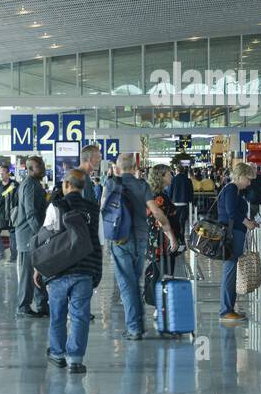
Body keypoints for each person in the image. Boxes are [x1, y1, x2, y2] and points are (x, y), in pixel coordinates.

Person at [103, 152, 176, 340]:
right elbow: (156, 211)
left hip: (121, 239)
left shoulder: (112, 183)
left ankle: (134, 327)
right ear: (135, 168)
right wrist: (168, 230)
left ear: (118, 168)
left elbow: (103, 209)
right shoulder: (142, 185)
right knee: (135, 280)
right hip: (141, 238)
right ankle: (138, 322)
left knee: (127, 283)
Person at [37, 168, 102, 374]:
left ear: (66, 185)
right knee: (80, 315)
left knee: (57, 314)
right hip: (85, 270)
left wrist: (39, 268)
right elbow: (98, 243)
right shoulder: (93, 209)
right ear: (83, 187)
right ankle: (75, 359)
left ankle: (57, 354)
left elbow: (45, 239)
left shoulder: (56, 206)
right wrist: (96, 272)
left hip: (59, 270)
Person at [215, 161, 258, 322]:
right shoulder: (232, 189)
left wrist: (247, 221)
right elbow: (231, 212)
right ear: (240, 176)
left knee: (231, 272)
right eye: (247, 178)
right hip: (232, 235)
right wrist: (246, 222)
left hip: (234, 233)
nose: (249, 182)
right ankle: (226, 310)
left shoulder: (233, 190)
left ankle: (229, 308)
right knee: (230, 272)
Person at [15, 156, 49, 317]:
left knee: (39, 270)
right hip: (29, 236)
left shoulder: (35, 184)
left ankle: (42, 303)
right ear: (29, 169)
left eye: (41, 165)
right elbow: (30, 213)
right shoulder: (29, 185)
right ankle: (23, 306)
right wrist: (39, 233)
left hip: (32, 235)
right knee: (28, 273)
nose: (41, 168)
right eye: (38, 166)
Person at [147, 164, 180, 278]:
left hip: (155, 243)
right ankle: (162, 296)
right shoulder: (160, 198)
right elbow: (161, 220)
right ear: (161, 177)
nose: (171, 176)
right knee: (166, 277)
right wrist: (172, 238)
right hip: (162, 243)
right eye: (168, 174)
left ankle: (154, 295)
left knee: (157, 276)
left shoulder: (152, 194)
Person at [0, 167, 18, 263]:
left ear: (8, 173)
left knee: (13, 235)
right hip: (0, 214)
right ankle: (1, 253)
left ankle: (13, 257)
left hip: (11, 213)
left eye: (2, 173)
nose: (0, 175)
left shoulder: (14, 184)